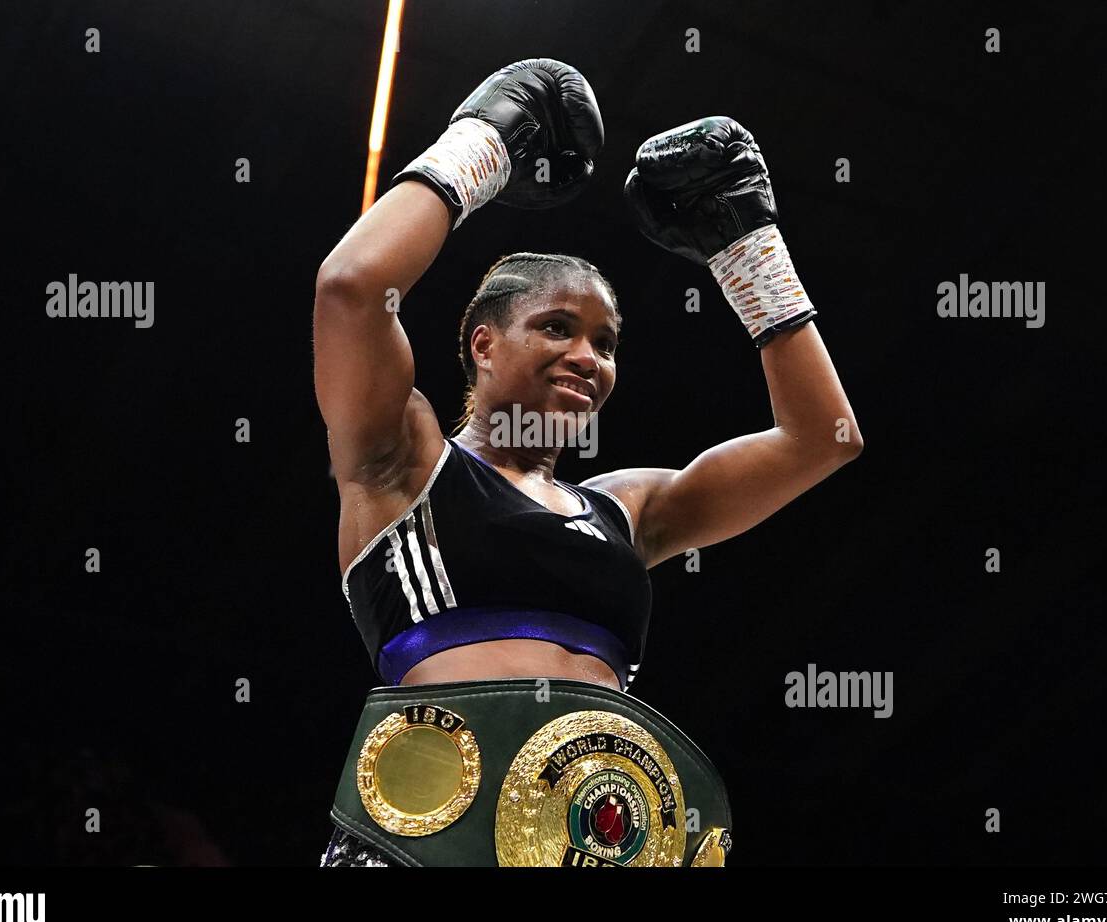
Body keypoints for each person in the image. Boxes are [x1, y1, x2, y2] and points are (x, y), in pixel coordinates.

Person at [314, 59, 862, 867]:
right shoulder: (403, 463)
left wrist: (747, 250)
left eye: (605, 344)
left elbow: (825, 440)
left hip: (596, 840)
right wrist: (486, 141)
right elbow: (351, 288)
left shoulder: (625, 510)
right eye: (557, 327)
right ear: (483, 343)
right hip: (427, 847)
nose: (587, 356)